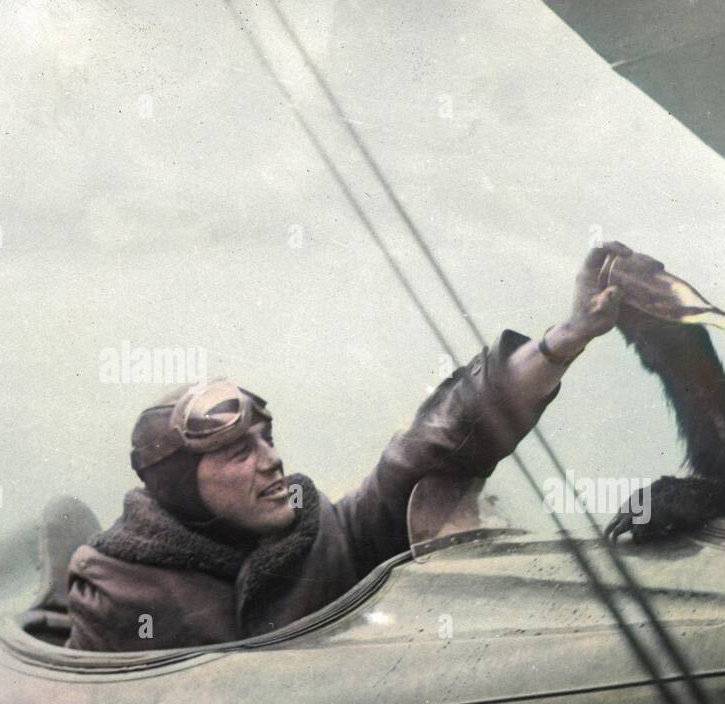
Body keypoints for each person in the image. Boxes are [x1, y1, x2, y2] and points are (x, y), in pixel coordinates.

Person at [65, 243, 629, 652]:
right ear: (181, 489)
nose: (271, 459)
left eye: (268, 439)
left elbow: (430, 447)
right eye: (240, 453)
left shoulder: (323, 537)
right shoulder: (116, 590)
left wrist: (567, 338)